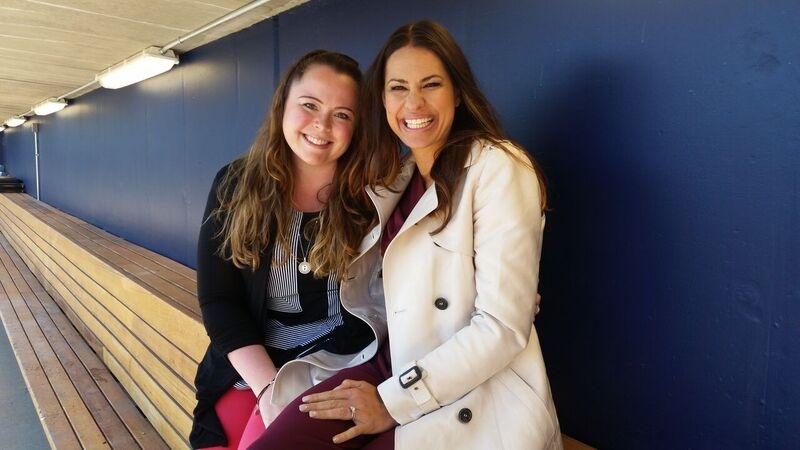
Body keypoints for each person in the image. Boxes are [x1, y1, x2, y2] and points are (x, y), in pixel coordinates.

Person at [250, 20, 562, 450]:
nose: (414, 103)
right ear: (382, 100)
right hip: (391, 363)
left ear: (457, 92)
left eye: (431, 84)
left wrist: (391, 401)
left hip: (469, 388)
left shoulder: (498, 167)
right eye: (398, 88)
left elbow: (501, 328)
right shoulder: (394, 179)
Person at [189, 50, 390, 450]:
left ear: (357, 126)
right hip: (253, 366)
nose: (322, 125)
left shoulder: (375, 194)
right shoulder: (235, 184)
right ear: (283, 104)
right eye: (309, 105)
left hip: (336, 364)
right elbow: (219, 300)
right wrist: (268, 390)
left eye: (342, 114)